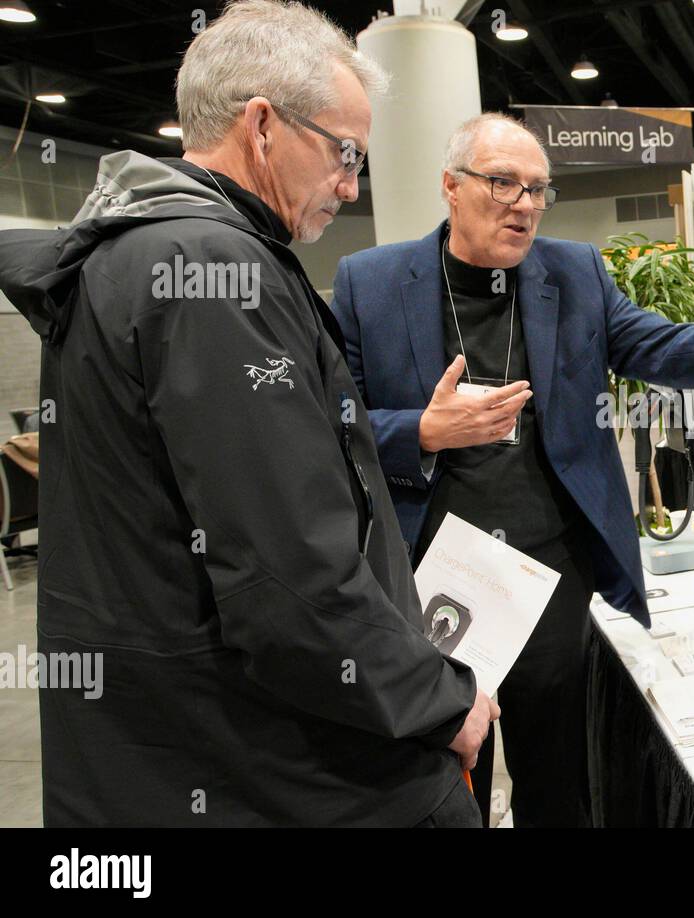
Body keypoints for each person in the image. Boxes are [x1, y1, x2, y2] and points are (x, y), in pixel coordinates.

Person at [0, 0, 497, 826]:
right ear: (262, 126)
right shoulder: (213, 274)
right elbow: (286, 574)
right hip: (262, 764)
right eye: (343, 152)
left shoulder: (131, 256)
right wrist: (440, 701)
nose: (349, 184)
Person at [331, 112, 694, 826]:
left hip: (547, 576)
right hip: (428, 575)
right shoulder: (369, 283)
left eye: (538, 189)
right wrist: (424, 430)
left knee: (557, 781)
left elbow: (661, 348)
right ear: (451, 187)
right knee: (432, 779)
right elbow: (331, 427)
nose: (524, 203)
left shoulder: (574, 272)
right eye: (503, 183)